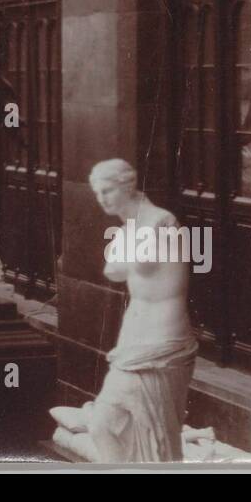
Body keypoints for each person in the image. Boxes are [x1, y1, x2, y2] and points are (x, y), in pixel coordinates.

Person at [50, 159, 198, 462]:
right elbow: (113, 270)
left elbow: (133, 262)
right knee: (103, 425)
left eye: (107, 190)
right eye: (97, 192)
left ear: (127, 187)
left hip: (161, 344)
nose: (101, 198)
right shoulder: (129, 228)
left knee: (158, 437)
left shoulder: (160, 221)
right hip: (133, 346)